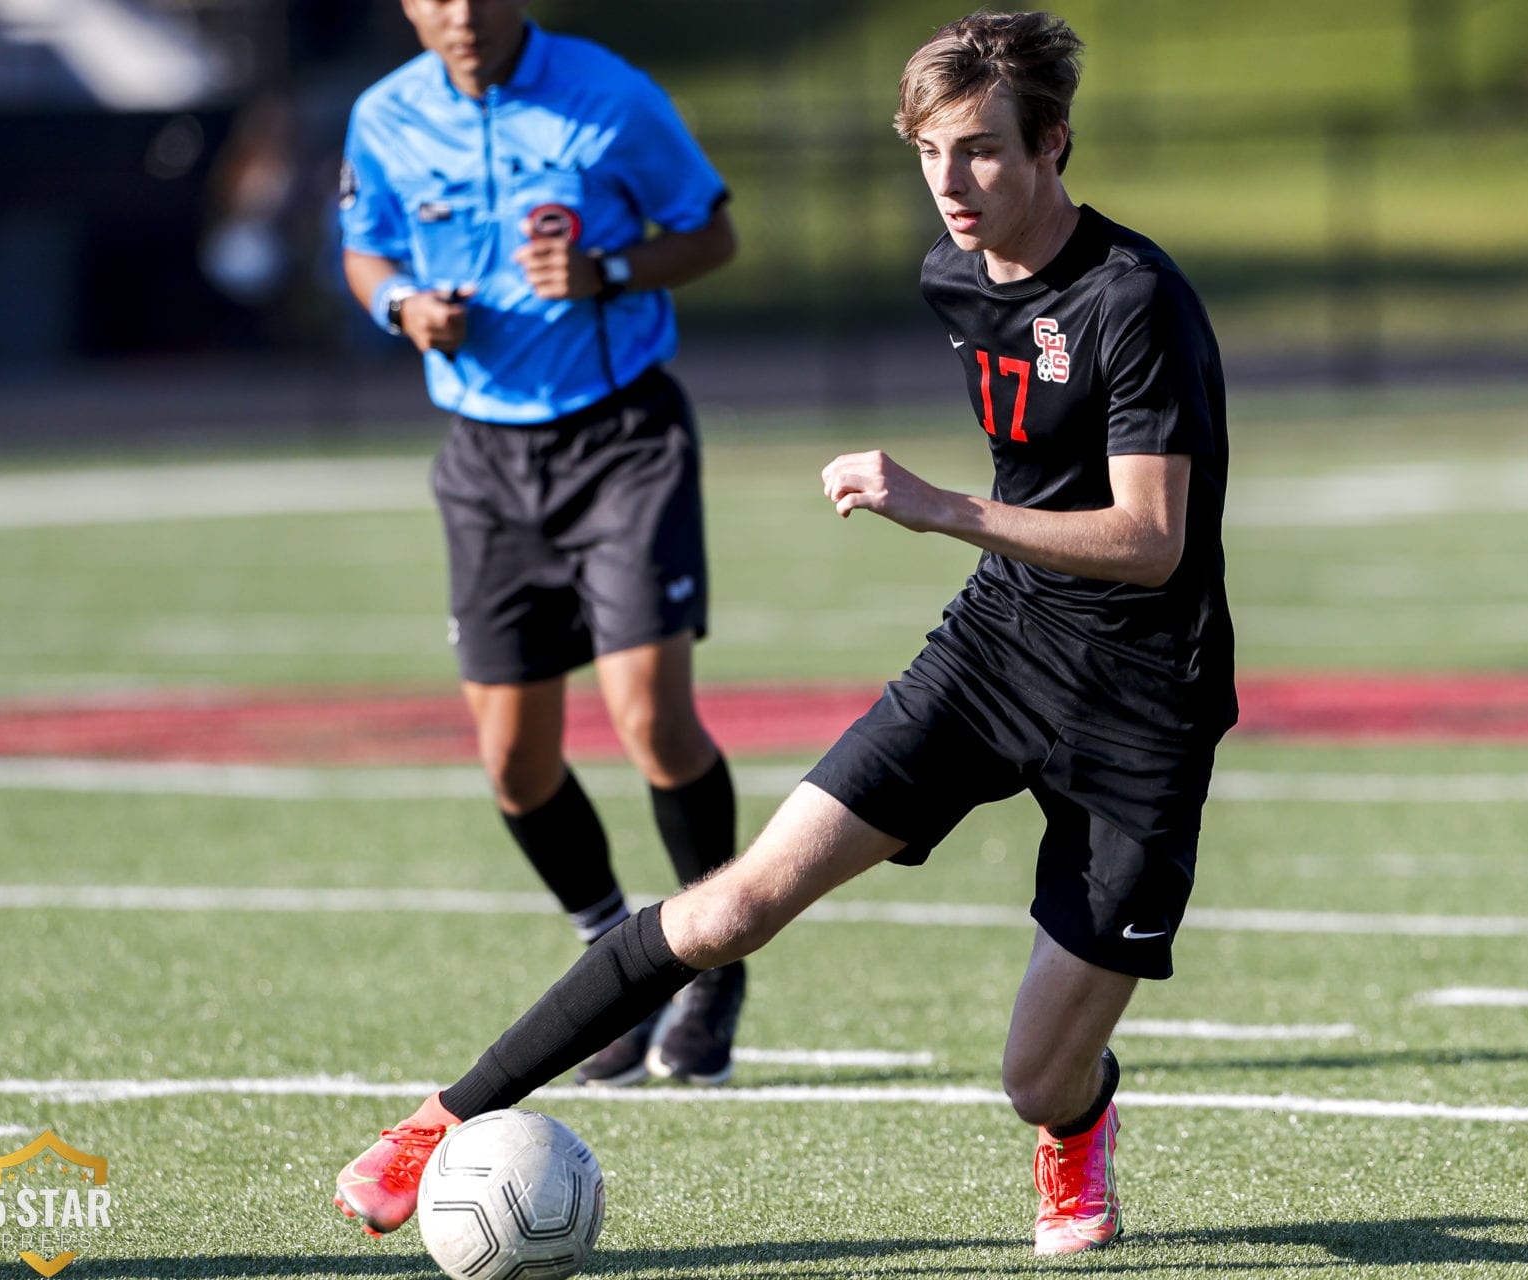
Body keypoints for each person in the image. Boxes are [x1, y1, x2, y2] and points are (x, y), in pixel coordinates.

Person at [332, 10, 1234, 1257]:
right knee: (734, 904)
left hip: (1144, 700)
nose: (952, 182)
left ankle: (1078, 1123)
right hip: (998, 649)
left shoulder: (1136, 299)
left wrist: (938, 506)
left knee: (1035, 1076)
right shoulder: (953, 274)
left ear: (1053, 144)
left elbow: (1152, 539)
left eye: (981, 150)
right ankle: (435, 1120)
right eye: (930, 152)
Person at [335, 0, 747, 1091]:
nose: (460, 14)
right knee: (513, 761)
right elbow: (366, 252)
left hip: (623, 442)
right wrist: (404, 308)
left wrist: (608, 272)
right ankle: (615, 956)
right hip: (485, 461)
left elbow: (713, 233)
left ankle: (713, 960)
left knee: (652, 718)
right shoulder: (382, 116)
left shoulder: (610, 96)